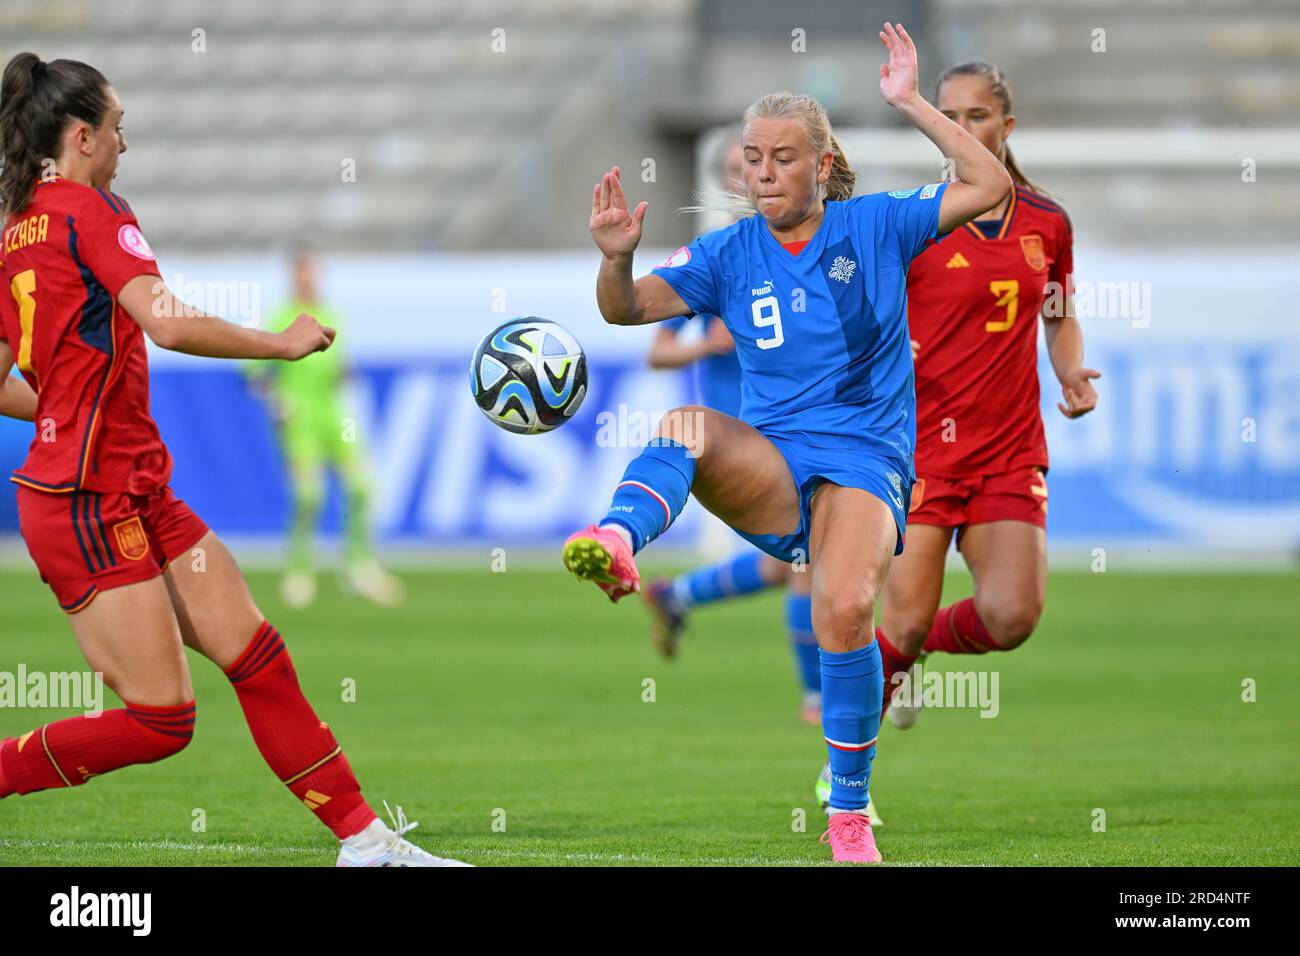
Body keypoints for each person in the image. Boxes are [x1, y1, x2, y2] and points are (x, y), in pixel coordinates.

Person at [0, 53, 465, 866]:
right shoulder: (94, 212)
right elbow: (168, 323)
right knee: (161, 720)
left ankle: (365, 843)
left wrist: (69, 412)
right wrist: (280, 344)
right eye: (117, 129)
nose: (124, 146)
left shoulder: (18, 226)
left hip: (130, 483)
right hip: (85, 499)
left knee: (256, 654)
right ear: (81, 135)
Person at [561, 24, 1012, 862]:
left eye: (783, 158)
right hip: (774, 464)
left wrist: (910, 101)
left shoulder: (877, 226)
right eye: (754, 159)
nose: (764, 174)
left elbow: (985, 181)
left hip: (866, 466)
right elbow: (623, 313)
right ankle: (618, 540)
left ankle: (847, 813)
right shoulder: (727, 252)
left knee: (843, 610)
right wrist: (616, 260)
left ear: (822, 163)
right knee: (686, 427)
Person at [875, 62, 1098, 733]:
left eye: (977, 116)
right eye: (950, 117)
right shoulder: (914, 222)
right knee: (901, 619)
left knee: (1011, 618)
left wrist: (1071, 371)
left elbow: (1057, 312)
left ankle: (913, 654)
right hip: (919, 455)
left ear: (1007, 125)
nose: (962, 130)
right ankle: (842, 783)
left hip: (1008, 451)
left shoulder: (1047, 223)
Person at [640, 141, 821, 727]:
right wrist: (708, 344)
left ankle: (678, 596)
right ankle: (816, 698)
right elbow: (658, 352)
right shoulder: (711, 258)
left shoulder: (800, 248)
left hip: (797, 425)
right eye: (735, 171)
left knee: (792, 561)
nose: (751, 180)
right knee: (810, 560)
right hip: (740, 433)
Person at [245, 247, 404, 609]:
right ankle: (299, 570)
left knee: (363, 486)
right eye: (302, 273)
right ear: (293, 276)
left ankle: (359, 566)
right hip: (300, 418)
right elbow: (254, 372)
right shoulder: (280, 316)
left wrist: (344, 376)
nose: (309, 279)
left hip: (336, 416)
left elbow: (337, 365)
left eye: (313, 273)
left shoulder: (333, 315)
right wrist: (276, 401)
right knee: (308, 495)